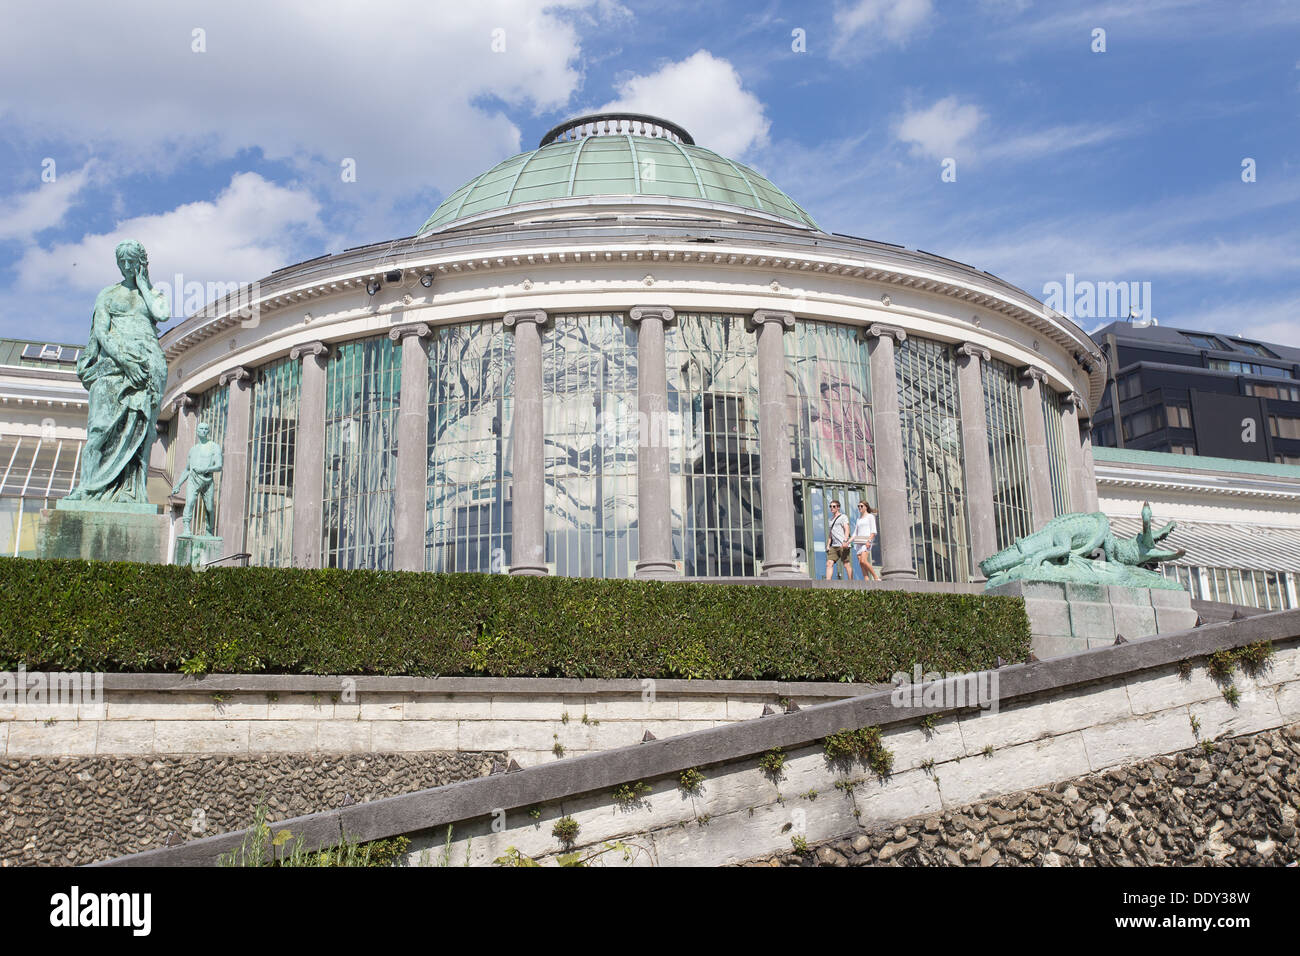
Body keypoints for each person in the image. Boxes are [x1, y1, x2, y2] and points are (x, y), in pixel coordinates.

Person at [825, 499, 852, 580]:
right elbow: (830, 533)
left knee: (846, 564)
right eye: (830, 506)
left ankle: (851, 582)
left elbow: (847, 529)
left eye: (834, 506)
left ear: (838, 507)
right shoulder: (830, 520)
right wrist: (828, 544)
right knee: (829, 563)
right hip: (834, 545)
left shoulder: (843, 517)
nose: (832, 508)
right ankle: (827, 582)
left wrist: (845, 541)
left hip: (842, 544)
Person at [854, 500, 880, 581]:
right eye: (858, 506)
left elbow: (873, 531)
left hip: (866, 541)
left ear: (866, 507)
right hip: (859, 542)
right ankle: (866, 579)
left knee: (863, 560)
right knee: (861, 563)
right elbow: (855, 532)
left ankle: (875, 577)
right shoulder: (859, 519)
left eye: (861, 506)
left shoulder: (870, 517)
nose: (859, 508)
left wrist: (869, 541)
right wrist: (847, 541)